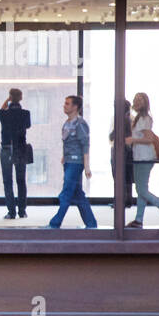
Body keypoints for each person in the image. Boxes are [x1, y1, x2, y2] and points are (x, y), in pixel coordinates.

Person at [124, 92, 159, 228]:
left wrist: (132, 140)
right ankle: (139, 220)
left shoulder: (145, 119)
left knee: (142, 190)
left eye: (139, 100)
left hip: (145, 157)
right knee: (141, 189)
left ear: (145, 103)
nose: (136, 102)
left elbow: (149, 139)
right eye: (135, 99)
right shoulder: (137, 118)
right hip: (140, 157)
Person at [48, 95, 98, 229]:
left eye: (68, 104)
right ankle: (91, 224)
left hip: (76, 163)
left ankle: (55, 223)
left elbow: (85, 145)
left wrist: (87, 166)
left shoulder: (80, 124)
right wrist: (64, 156)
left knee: (66, 192)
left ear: (75, 107)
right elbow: (66, 142)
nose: (64, 106)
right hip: (68, 162)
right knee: (77, 194)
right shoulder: (66, 123)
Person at [0, 88, 31, 219]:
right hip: (20, 148)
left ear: (9, 98)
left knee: (8, 181)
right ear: (21, 98)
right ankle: (22, 211)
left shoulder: (3, 114)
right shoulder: (26, 113)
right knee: (21, 180)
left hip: (6, 148)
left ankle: (11, 212)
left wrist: (4, 106)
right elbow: (28, 126)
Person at [110, 99, 134, 209]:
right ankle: (127, 200)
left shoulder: (123, 119)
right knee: (125, 176)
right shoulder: (127, 117)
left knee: (119, 175)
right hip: (126, 148)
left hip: (121, 148)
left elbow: (116, 134)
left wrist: (112, 135)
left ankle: (121, 201)